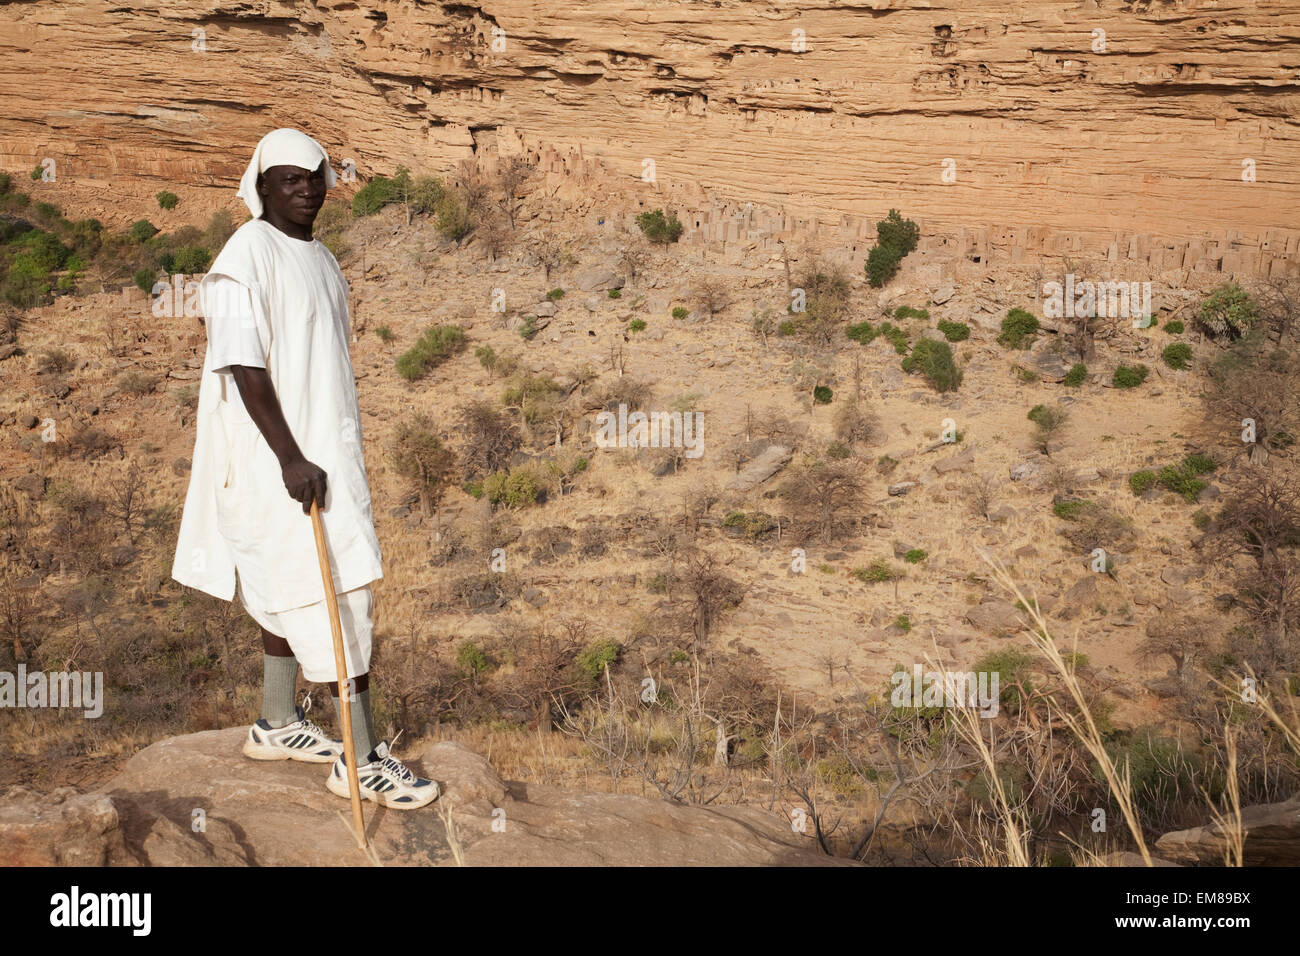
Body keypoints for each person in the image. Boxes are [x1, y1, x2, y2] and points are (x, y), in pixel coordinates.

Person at [171, 128, 438, 810]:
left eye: (316, 176)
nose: (308, 187)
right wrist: (291, 457)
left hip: (321, 450)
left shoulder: (318, 257)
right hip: (277, 460)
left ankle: (278, 721)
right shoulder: (244, 257)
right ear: (260, 187)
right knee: (334, 592)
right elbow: (243, 363)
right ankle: (361, 757)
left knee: (289, 587)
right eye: (291, 178)